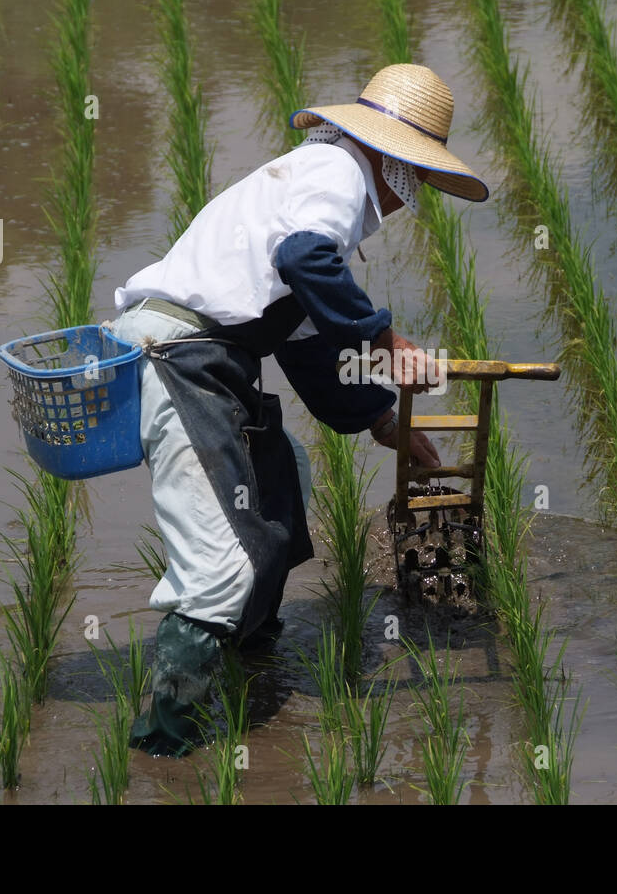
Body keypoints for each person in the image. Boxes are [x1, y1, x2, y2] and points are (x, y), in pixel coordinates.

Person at [106, 63, 490, 757]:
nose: (415, 197)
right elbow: (307, 260)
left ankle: (251, 665)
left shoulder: (310, 184)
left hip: (213, 360)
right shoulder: (337, 175)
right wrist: (384, 336)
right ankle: (165, 747)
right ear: (394, 159)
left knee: (282, 494)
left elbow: (309, 345)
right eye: (419, 179)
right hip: (181, 357)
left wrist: (382, 419)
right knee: (221, 561)